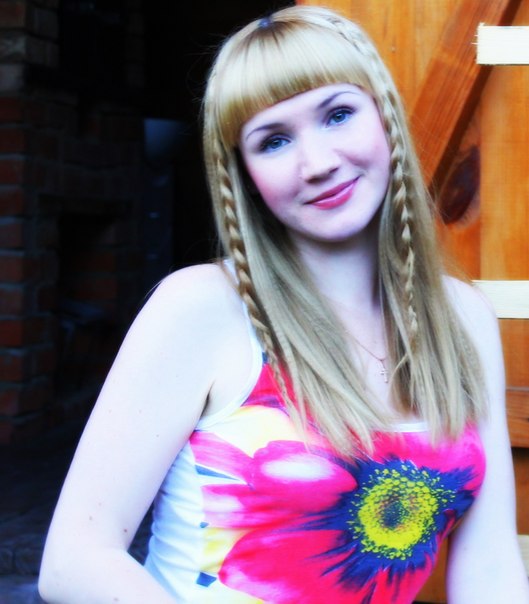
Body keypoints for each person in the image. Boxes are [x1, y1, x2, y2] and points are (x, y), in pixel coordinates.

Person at [39, 5, 528, 603]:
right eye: (273, 141)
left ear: (385, 118)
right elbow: (75, 561)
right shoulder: (202, 308)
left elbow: (490, 566)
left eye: (338, 114)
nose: (317, 164)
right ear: (244, 176)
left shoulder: (464, 319)